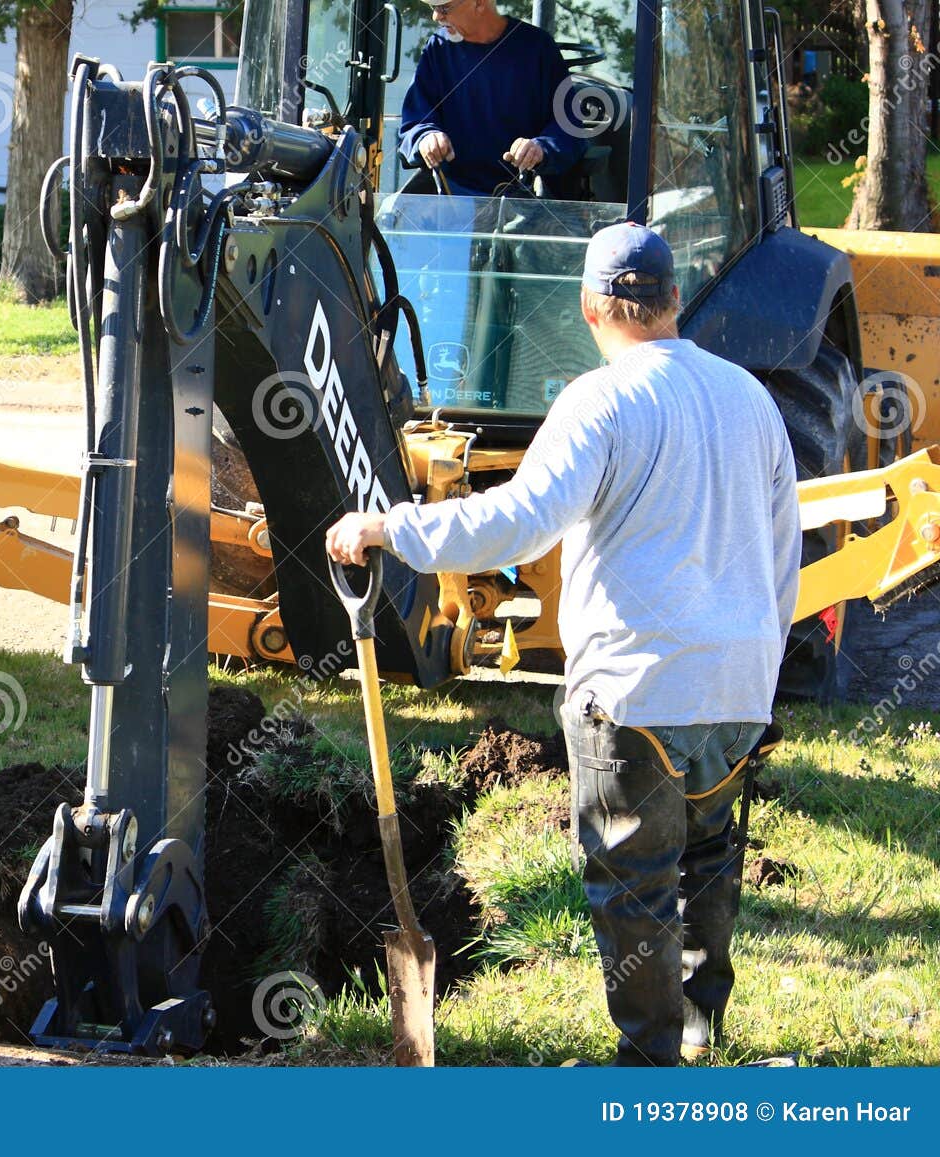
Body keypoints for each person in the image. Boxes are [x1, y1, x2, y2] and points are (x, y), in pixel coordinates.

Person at [326, 223, 801, 1066]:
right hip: (738, 683)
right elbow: (781, 550)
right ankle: (698, 1027)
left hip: (635, 690)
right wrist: (757, 663)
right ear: (675, 300)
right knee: (708, 861)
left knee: (634, 884)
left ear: (589, 307)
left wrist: (388, 527)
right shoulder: (752, 399)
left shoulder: (603, 400)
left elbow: (516, 521)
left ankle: (648, 1064)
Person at [399, 0, 587, 195]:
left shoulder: (538, 48)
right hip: (451, 198)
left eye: (444, 8)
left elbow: (569, 128)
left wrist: (541, 148)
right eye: (433, 8)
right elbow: (414, 122)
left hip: (525, 200)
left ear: (479, 3)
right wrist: (425, 137)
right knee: (388, 217)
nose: (436, 17)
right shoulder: (437, 48)